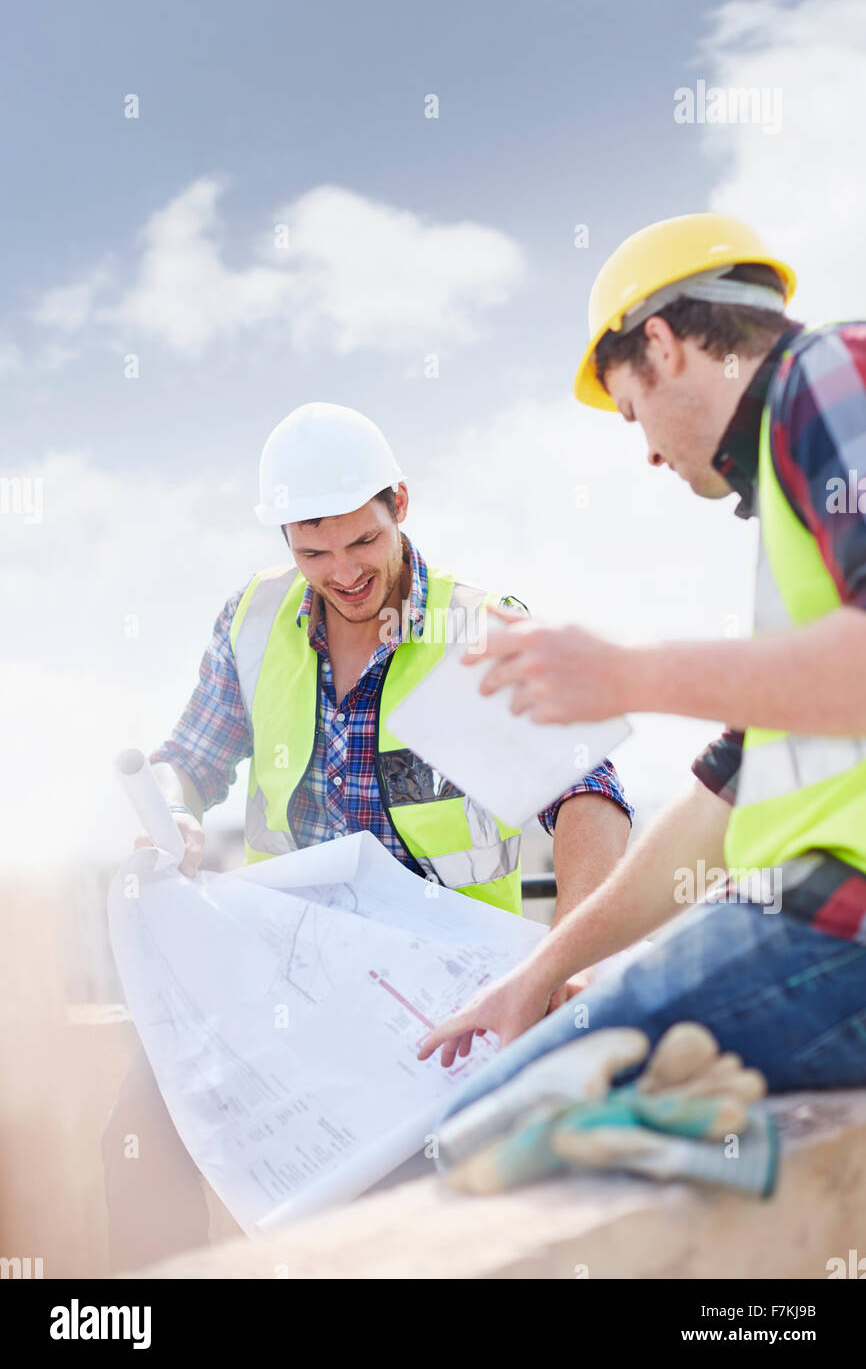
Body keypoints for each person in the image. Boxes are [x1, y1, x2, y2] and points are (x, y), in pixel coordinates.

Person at [104, 400, 632, 1270]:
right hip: (294, 980)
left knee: (378, 1221)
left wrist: (568, 963)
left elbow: (588, 795)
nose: (343, 572)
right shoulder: (252, 623)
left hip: (439, 1001)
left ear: (401, 506)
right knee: (145, 1123)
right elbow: (189, 762)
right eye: (313, 552)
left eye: (363, 542)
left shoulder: (479, 632)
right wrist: (172, 812)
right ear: (284, 539)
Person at [419, 212, 866, 1109]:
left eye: (634, 413)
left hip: (837, 928)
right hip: (822, 929)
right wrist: (540, 974)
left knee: (482, 1120)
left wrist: (627, 675)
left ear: (661, 346)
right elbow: (719, 798)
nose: (651, 452)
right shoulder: (794, 513)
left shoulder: (828, 371)